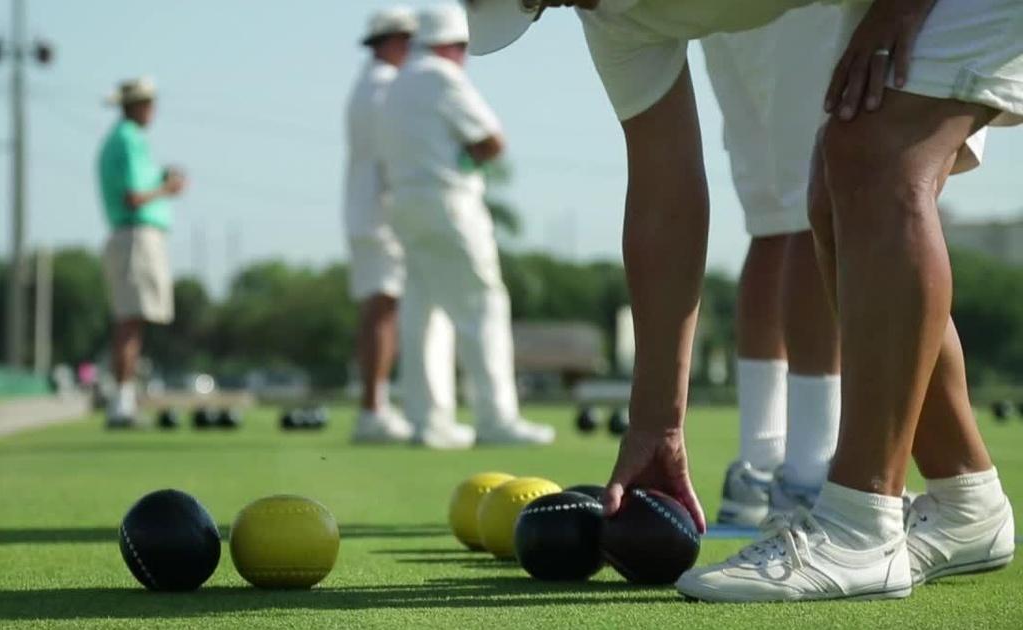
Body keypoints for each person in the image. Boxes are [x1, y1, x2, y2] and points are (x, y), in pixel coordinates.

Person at [467, 0, 1017, 602]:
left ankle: (860, 526)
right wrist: (655, 423)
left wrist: (899, 10)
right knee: (839, 186)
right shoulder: (610, 18)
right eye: (536, 7)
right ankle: (966, 502)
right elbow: (663, 198)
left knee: (878, 154)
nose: (555, 7)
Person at [377, 4, 554, 449]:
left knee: (424, 310)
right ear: (452, 44)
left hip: (404, 205)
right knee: (482, 305)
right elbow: (492, 140)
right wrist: (465, 160)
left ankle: (428, 421)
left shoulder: (397, 82)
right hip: (448, 202)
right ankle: (496, 419)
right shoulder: (442, 76)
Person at [701, 5, 843, 526]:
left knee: (774, 222)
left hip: (729, 23)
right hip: (807, 12)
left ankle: (759, 468)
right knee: (816, 207)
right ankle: (809, 475)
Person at [344, 7, 456, 444]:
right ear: (391, 41)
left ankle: (376, 407)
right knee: (384, 308)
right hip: (382, 211)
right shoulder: (384, 86)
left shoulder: (370, 82)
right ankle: (374, 410)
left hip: (372, 208)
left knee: (382, 307)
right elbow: (395, 153)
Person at [97, 78, 186, 428]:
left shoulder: (123, 138)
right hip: (135, 235)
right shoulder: (129, 138)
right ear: (133, 106)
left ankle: (125, 400)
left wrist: (160, 180)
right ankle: (121, 403)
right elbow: (134, 196)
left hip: (131, 235)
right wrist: (167, 188)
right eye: (147, 102)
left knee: (131, 321)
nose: (153, 109)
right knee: (129, 322)